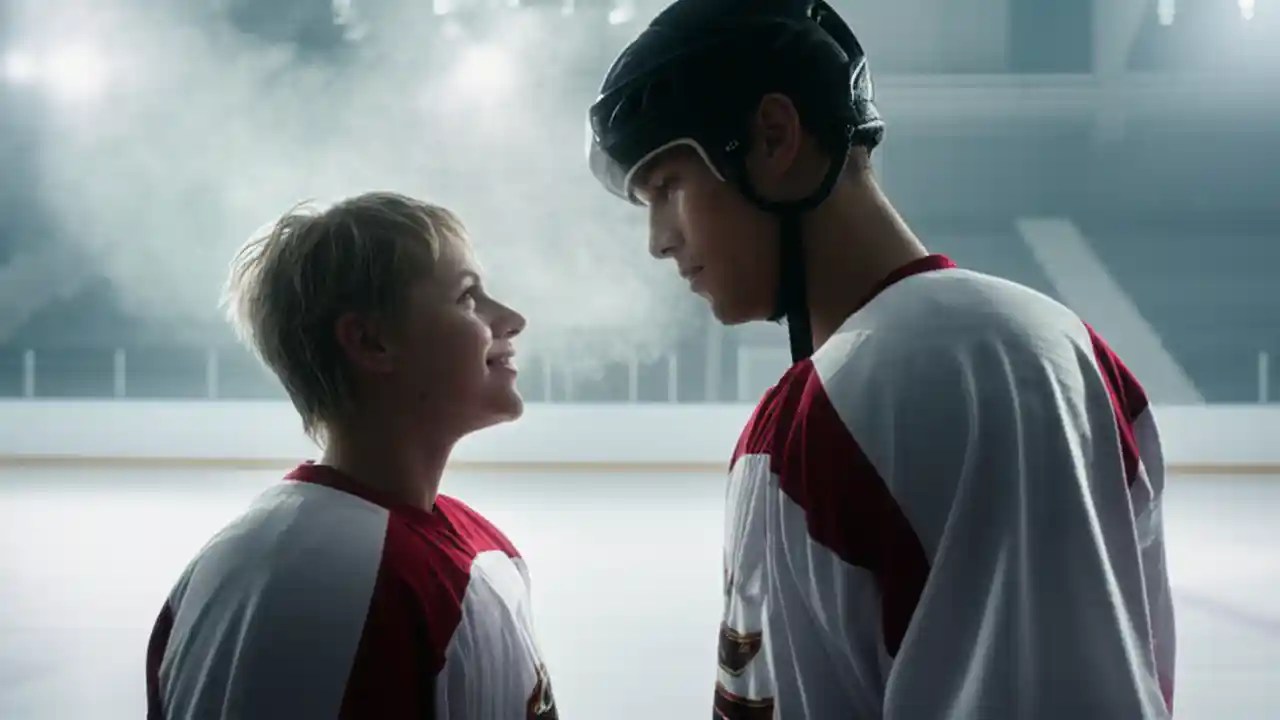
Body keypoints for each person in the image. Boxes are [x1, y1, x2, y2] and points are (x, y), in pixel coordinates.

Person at [586, 1, 1175, 717]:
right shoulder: (1070, 344)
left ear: (774, 139)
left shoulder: (841, 408)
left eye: (668, 187)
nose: (659, 239)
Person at [145, 192, 558, 719]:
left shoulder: (478, 544)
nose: (513, 319)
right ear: (371, 342)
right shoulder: (316, 584)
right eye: (467, 297)